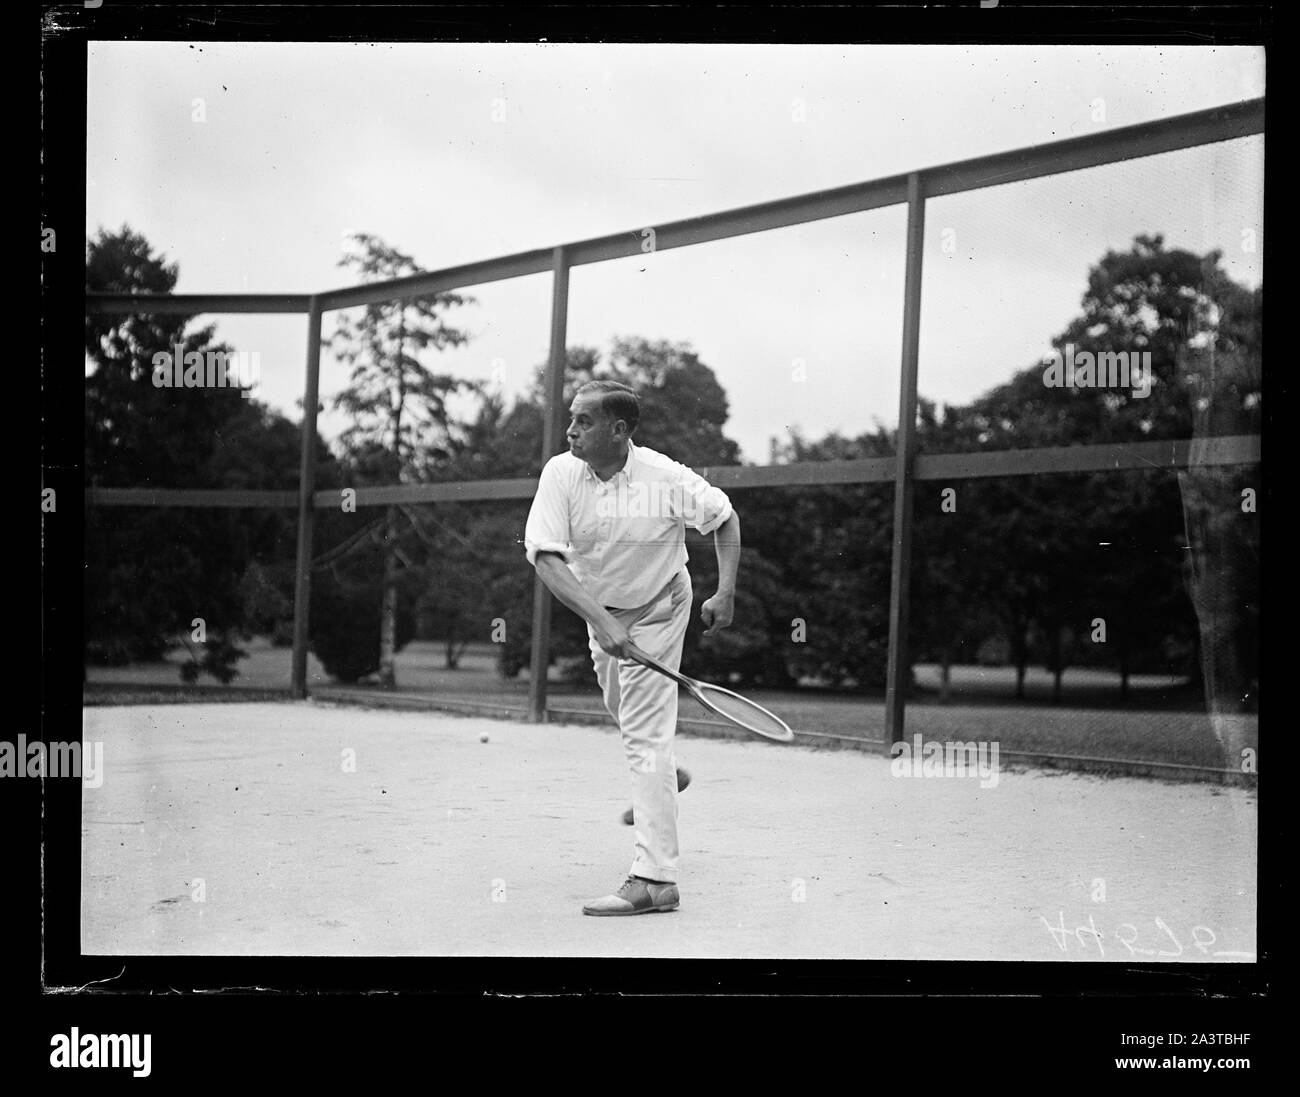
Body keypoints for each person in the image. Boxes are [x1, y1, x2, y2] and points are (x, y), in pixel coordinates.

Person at [524, 379, 741, 915]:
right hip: (604, 614)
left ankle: (655, 880)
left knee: (643, 738)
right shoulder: (561, 473)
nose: (570, 429)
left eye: (584, 421)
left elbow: (724, 518)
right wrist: (603, 623)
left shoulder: (664, 476)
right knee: (624, 713)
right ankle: (667, 769)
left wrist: (726, 593)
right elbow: (547, 558)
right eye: (571, 419)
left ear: (619, 430)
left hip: (663, 606)